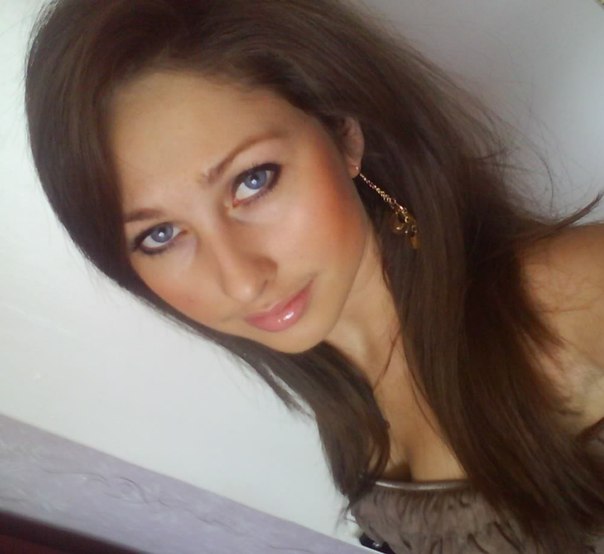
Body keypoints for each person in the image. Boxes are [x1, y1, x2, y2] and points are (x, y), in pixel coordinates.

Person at [24, 0, 604, 552]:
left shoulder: (570, 296)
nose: (241, 281)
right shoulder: (348, 415)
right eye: (160, 235)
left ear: (344, 135)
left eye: (253, 180)